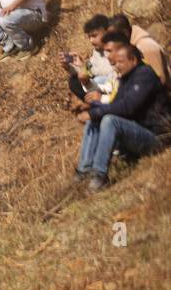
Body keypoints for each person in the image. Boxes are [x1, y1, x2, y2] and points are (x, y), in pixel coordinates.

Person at [72, 41, 170, 192]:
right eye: (115, 63)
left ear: (133, 60)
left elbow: (127, 108)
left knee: (110, 121)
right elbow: (115, 105)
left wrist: (93, 112)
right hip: (137, 132)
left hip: (156, 137)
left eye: (120, 62)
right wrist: (92, 108)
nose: (116, 66)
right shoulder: (126, 78)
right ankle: (84, 170)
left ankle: (100, 175)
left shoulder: (145, 75)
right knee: (98, 118)